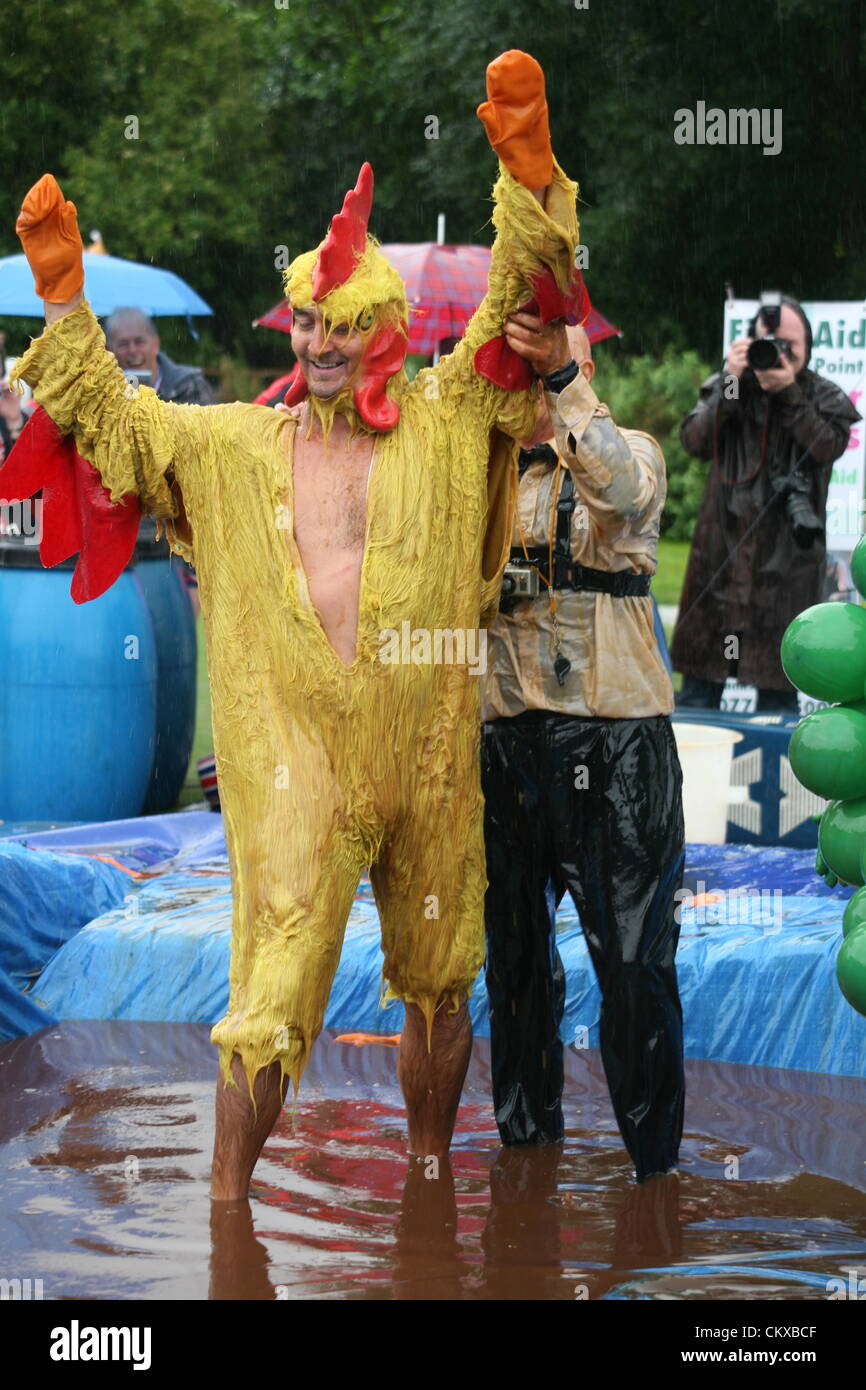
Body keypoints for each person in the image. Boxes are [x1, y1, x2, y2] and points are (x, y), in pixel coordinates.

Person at [6, 50, 581, 1201]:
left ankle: (426, 1170)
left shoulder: (447, 413)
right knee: (268, 996)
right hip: (294, 763)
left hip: (424, 752)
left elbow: (522, 303)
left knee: (438, 976)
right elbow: (118, 426)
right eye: (305, 324)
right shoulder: (230, 447)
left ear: (383, 335)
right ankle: (228, 1212)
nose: (318, 345)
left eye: (342, 328)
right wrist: (66, 305)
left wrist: (527, 179)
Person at [480, 310, 685, 1183]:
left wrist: (566, 383)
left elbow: (627, 500)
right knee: (516, 966)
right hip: (508, 750)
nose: (523, 389)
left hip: (617, 753)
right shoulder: (483, 480)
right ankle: (525, 1169)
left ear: (580, 365)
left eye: (545, 370)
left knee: (634, 966)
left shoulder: (631, 452)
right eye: (514, 372)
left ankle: (653, 1179)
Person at [670, 296, 860, 713]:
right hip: (719, 561)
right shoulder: (734, 385)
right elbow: (695, 441)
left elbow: (827, 445)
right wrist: (730, 380)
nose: (777, 353)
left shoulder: (821, 396)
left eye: (787, 345)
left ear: (808, 346)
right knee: (699, 694)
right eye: (768, 343)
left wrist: (789, 392)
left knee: (777, 693)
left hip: (784, 569)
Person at [104, 307, 215, 405]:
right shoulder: (101, 392)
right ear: (109, 350)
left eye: (139, 342)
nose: (132, 350)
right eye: (123, 344)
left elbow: (209, 427)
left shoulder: (190, 385)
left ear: (156, 343)